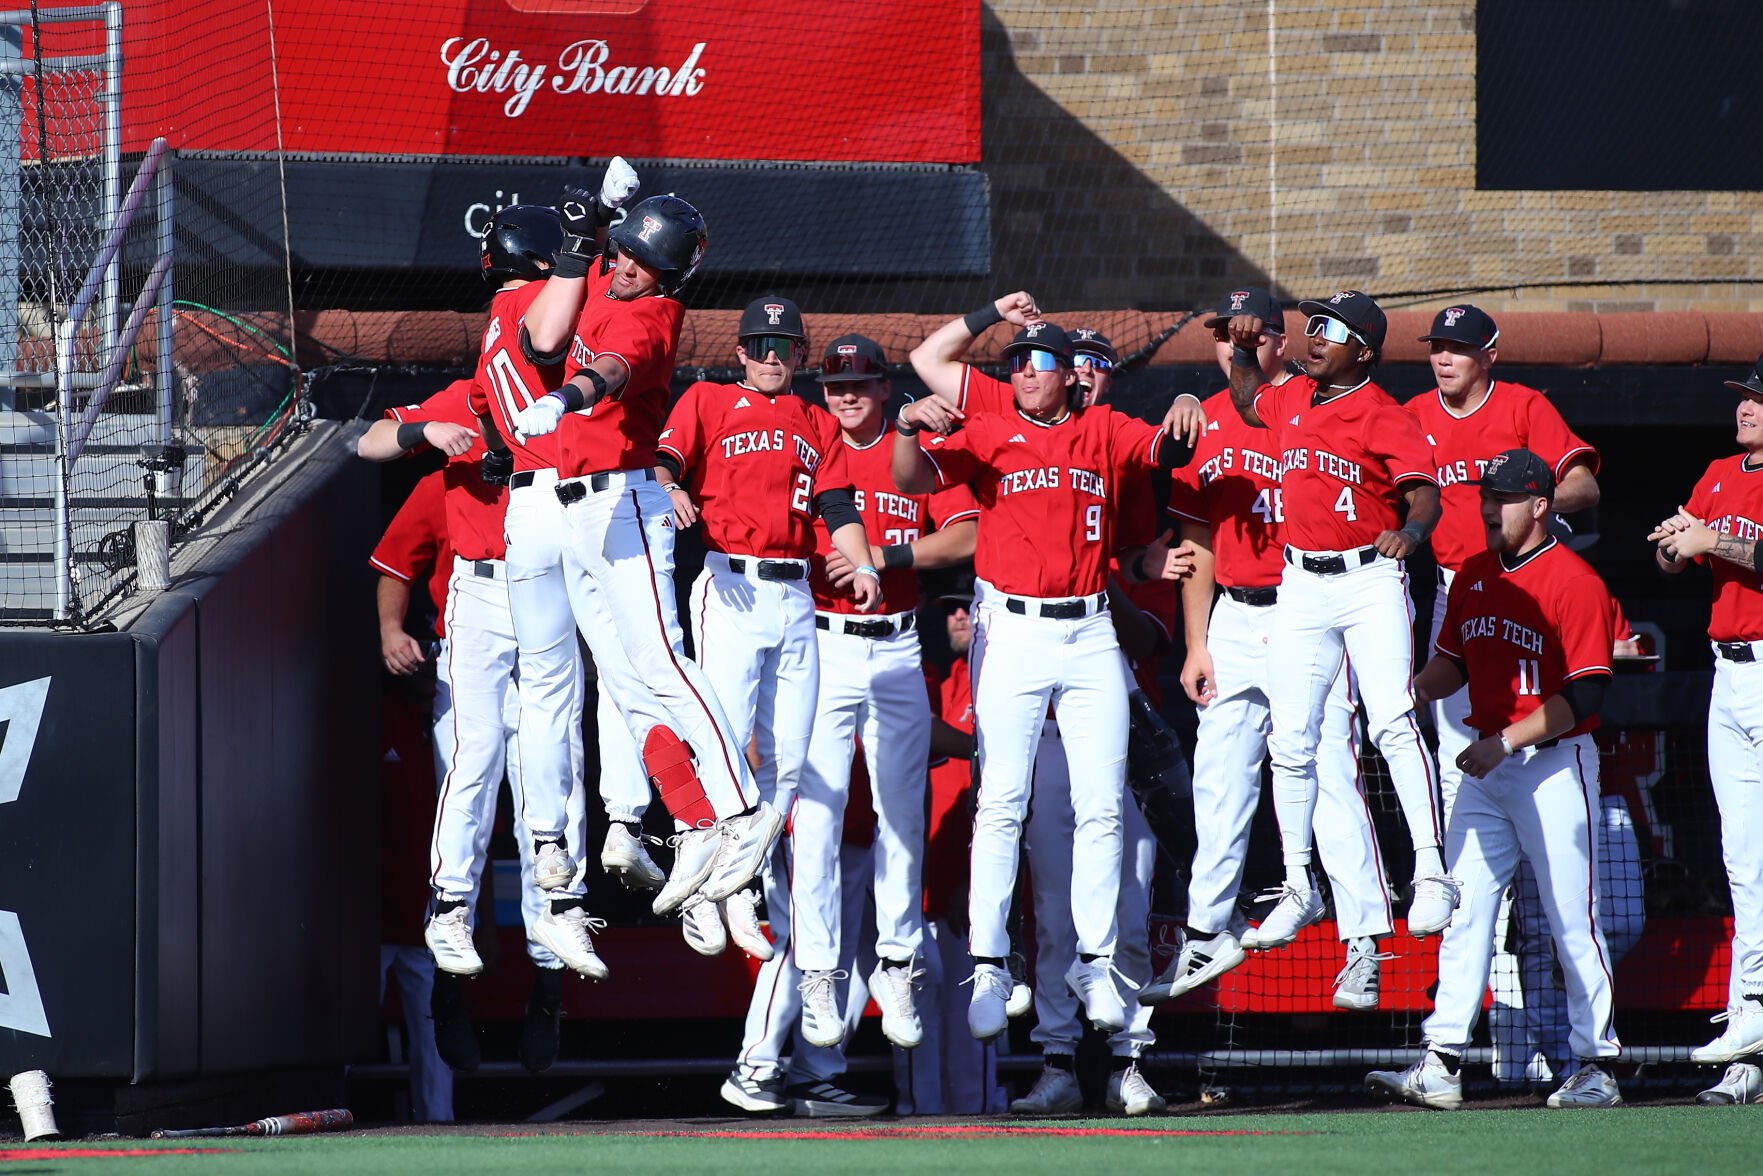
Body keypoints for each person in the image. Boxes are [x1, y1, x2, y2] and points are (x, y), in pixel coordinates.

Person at [894, 310, 1195, 1041]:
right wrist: (904, 425)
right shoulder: (991, 425)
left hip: (1089, 628)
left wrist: (1188, 406)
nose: (1026, 370)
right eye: (1017, 361)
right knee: (1001, 800)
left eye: (1040, 360)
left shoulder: (1103, 428)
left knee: (1101, 805)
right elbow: (910, 477)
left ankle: (1096, 962)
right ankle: (990, 965)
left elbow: (1168, 447)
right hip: (1014, 628)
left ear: (1068, 375)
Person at [487, 191, 782, 925]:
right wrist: (592, 228)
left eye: (642, 262)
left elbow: (612, 369)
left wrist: (567, 398)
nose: (624, 267)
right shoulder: (602, 275)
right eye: (622, 252)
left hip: (626, 502)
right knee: (628, 681)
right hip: (576, 509)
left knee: (661, 663)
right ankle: (698, 822)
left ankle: (745, 812)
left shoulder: (656, 313)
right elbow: (549, 326)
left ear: (667, 276)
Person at [652, 297, 882, 1099]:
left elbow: (836, 505)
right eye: (759, 343)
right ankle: (707, 885)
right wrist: (668, 488)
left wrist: (861, 561)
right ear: (741, 351)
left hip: (794, 592)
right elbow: (663, 461)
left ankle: (740, 882)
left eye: (783, 344)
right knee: (719, 740)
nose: (771, 355)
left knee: (788, 761)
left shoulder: (816, 422)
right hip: (728, 580)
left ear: (798, 353)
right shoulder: (708, 398)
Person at [1145, 288, 1394, 1011]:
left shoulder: (1315, 404)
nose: (1235, 344)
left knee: (1330, 774)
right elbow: (1195, 539)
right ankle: (1208, 929)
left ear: (1282, 342)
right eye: (1224, 334)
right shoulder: (1206, 419)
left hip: (1308, 606)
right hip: (1233, 615)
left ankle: (1362, 942)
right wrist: (1196, 642)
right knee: (1218, 781)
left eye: (1250, 333)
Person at [1367, 448, 1622, 1111]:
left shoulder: (1574, 581)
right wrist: (1405, 692)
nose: (1488, 508)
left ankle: (1596, 1065)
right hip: (1489, 769)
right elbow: (1450, 664)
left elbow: (1586, 697)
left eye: (1503, 498)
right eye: (1485, 495)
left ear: (1539, 506)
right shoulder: (1475, 574)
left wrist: (1505, 742)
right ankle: (1442, 1061)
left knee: (1571, 918)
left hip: (1551, 764)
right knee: (1465, 910)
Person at [360, 402, 595, 1069]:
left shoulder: (564, 467)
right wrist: (390, 631)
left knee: (555, 806)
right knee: (466, 799)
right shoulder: (452, 472)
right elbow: (395, 562)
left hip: (546, 645)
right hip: (473, 643)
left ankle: (548, 985)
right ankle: (448, 985)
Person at [1218, 290, 1453, 943]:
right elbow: (1247, 401)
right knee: (1291, 739)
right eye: (1314, 324)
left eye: (1332, 329)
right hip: (1300, 580)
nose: (1316, 336)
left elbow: (1425, 495)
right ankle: (1300, 883)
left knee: (1392, 722)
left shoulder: (1383, 413)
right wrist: (1243, 349)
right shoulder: (1294, 394)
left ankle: (1431, 872)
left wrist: (1411, 532)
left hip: (1367, 577)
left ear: (1365, 351)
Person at [792, 332, 978, 1056]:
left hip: (897, 640)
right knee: (819, 811)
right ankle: (818, 969)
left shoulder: (913, 445)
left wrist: (881, 556)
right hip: (822, 641)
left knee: (902, 809)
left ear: (882, 388)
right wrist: (831, 555)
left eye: (859, 384)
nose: (846, 396)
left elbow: (967, 535)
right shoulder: (811, 442)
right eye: (835, 386)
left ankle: (896, 965)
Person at [1405, 304, 1601, 817]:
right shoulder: (1414, 414)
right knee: (1454, 747)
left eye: (1459, 350)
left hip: (1525, 586)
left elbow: (1584, 485)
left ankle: (1542, 841)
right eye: (1437, 348)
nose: (1444, 359)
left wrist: (1531, 501)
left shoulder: (1523, 406)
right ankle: (1468, 860)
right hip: (1455, 589)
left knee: (1534, 724)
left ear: (1488, 355)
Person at [1649, 352, 1763, 1104]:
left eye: (1759, 399)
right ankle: (1749, 1032)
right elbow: (1675, 560)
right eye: (1744, 397)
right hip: (1727, 673)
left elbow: (1725, 548)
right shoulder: (1721, 472)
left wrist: (1710, 541)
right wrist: (1672, 543)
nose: (1745, 407)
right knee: (1742, 858)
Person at [896, 589, 1011, 1116]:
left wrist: (970, 881)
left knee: (972, 1005)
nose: (960, 616)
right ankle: (917, 1118)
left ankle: (979, 1117)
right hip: (922, 878)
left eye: (966, 606)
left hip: (968, 879)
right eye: (950, 610)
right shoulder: (931, 681)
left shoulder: (996, 679)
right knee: (917, 996)